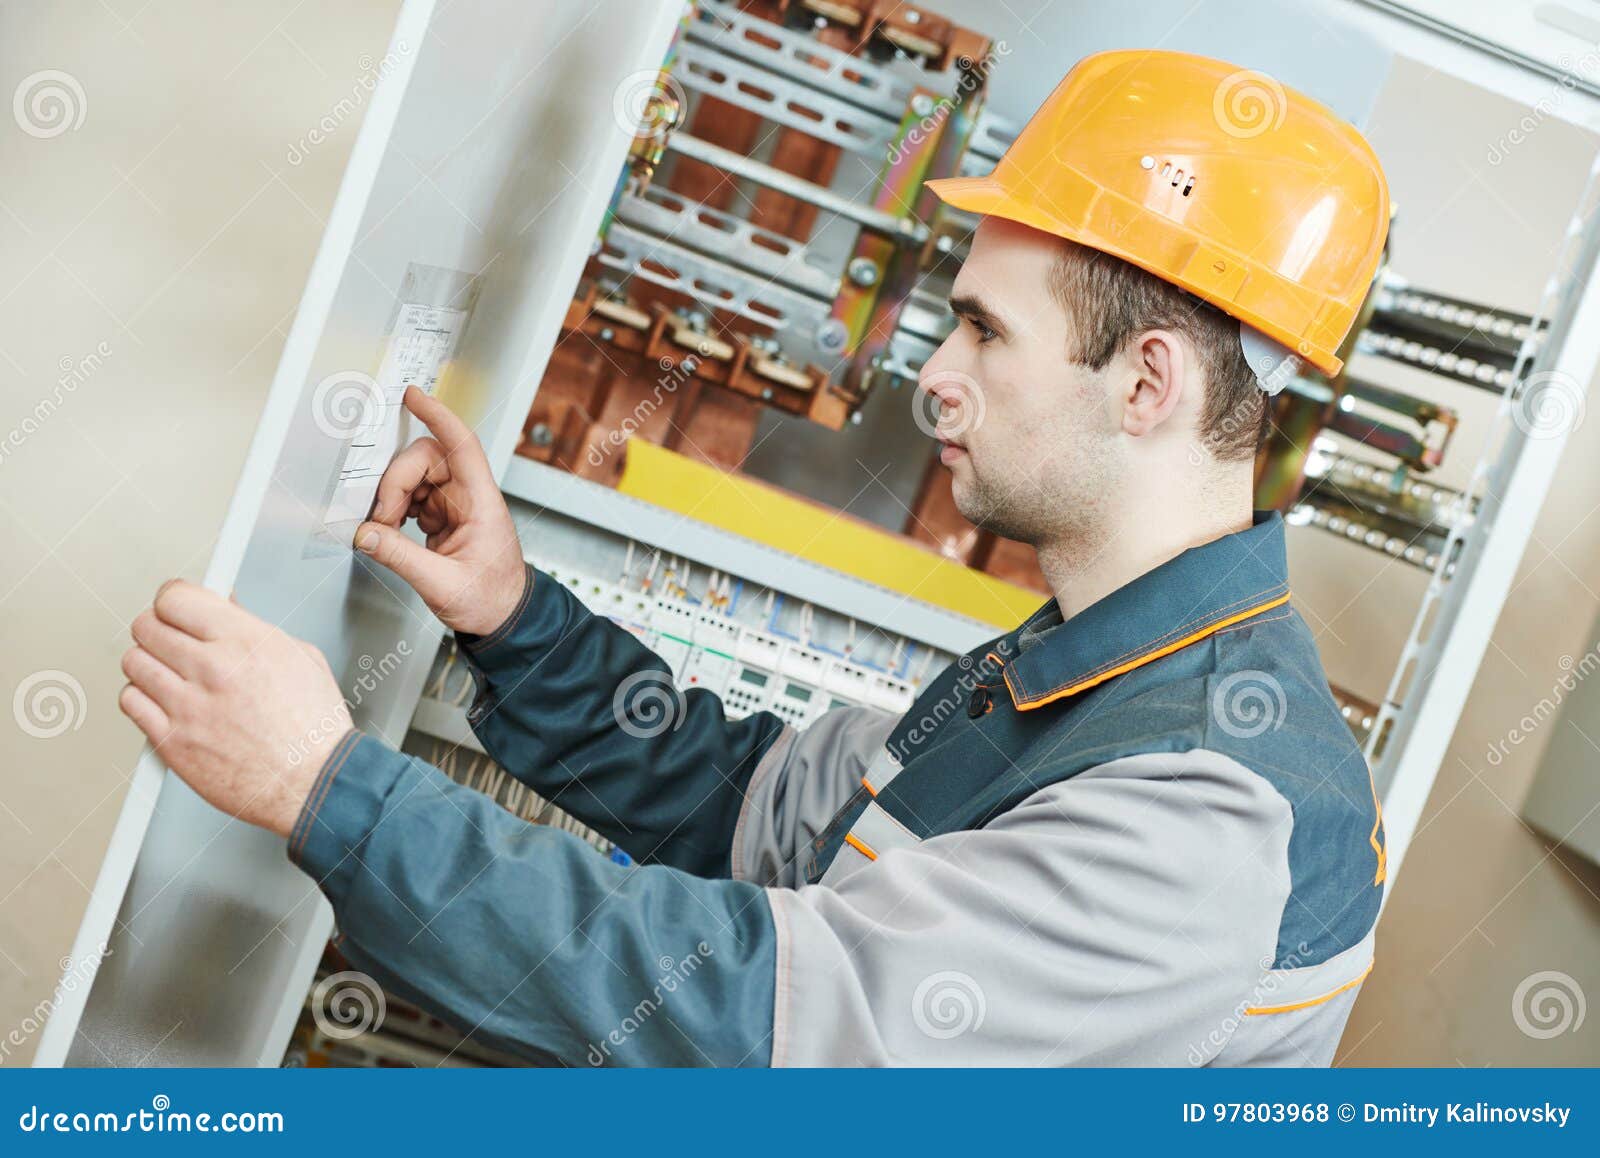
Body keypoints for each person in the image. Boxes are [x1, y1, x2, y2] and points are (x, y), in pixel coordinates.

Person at [117, 48, 1389, 1066]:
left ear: (1146, 381)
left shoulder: (1207, 805)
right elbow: (764, 814)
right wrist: (520, 624)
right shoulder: (1082, 669)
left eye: (983, 334)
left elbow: (752, 1024)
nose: (935, 381)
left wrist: (323, 787)